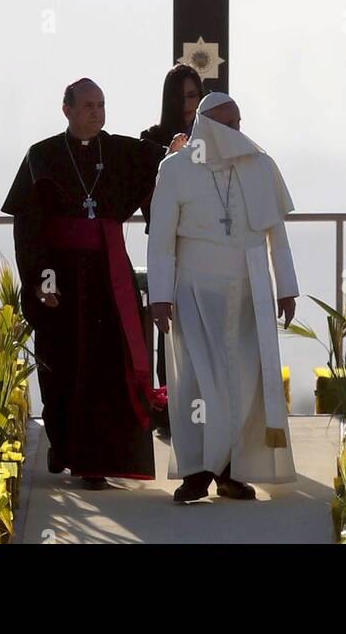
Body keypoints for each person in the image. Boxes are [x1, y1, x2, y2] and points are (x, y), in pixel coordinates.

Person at [1, 78, 165, 487]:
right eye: (89, 105)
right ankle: (67, 449)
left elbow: (162, 159)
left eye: (102, 104)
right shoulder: (43, 157)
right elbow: (29, 225)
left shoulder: (118, 150)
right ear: (67, 110)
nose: (97, 112)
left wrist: (180, 147)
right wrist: (43, 279)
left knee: (111, 366)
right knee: (63, 368)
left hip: (109, 276)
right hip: (62, 277)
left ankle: (100, 459)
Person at [147, 91, 299, 503]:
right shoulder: (174, 170)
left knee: (244, 386)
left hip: (250, 293)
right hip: (195, 292)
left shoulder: (260, 166)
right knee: (198, 386)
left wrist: (286, 288)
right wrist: (159, 296)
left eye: (239, 124)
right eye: (228, 126)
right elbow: (161, 240)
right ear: (207, 127)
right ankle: (197, 471)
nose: (237, 133)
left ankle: (232, 473)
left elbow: (277, 237)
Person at [140, 64, 206, 436]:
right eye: (182, 97)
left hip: (204, 245)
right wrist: (169, 156)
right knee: (169, 325)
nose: (188, 104)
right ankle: (167, 402)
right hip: (167, 245)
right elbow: (146, 201)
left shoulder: (214, 137)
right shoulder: (150, 139)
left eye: (194, 95)